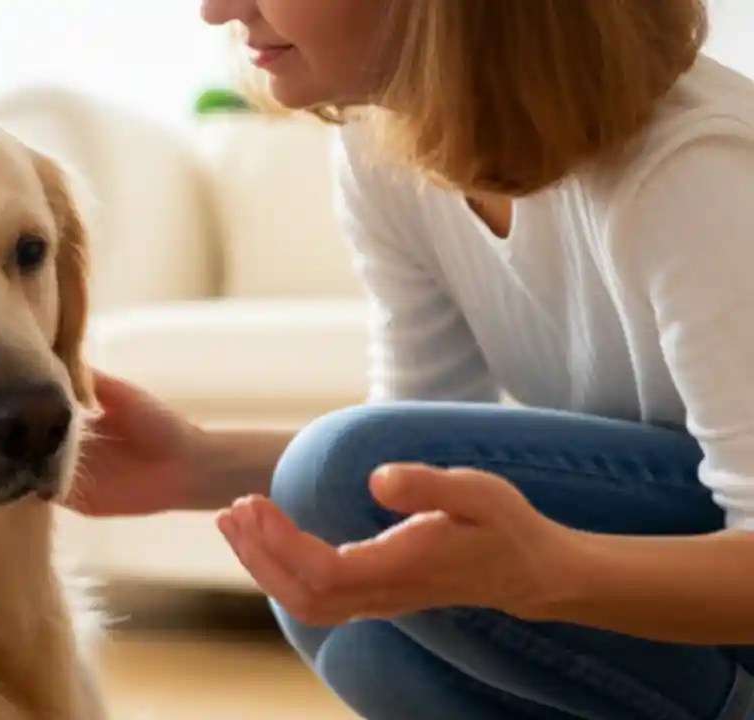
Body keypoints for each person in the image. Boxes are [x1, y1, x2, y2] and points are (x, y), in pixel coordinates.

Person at [65, 2, 754, 718]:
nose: (218, 10)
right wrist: (197, 465)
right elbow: (403, 457)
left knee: (338, 488)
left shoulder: (697, 169)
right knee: (355, 623)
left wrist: (547, 574)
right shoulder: (383, 146)